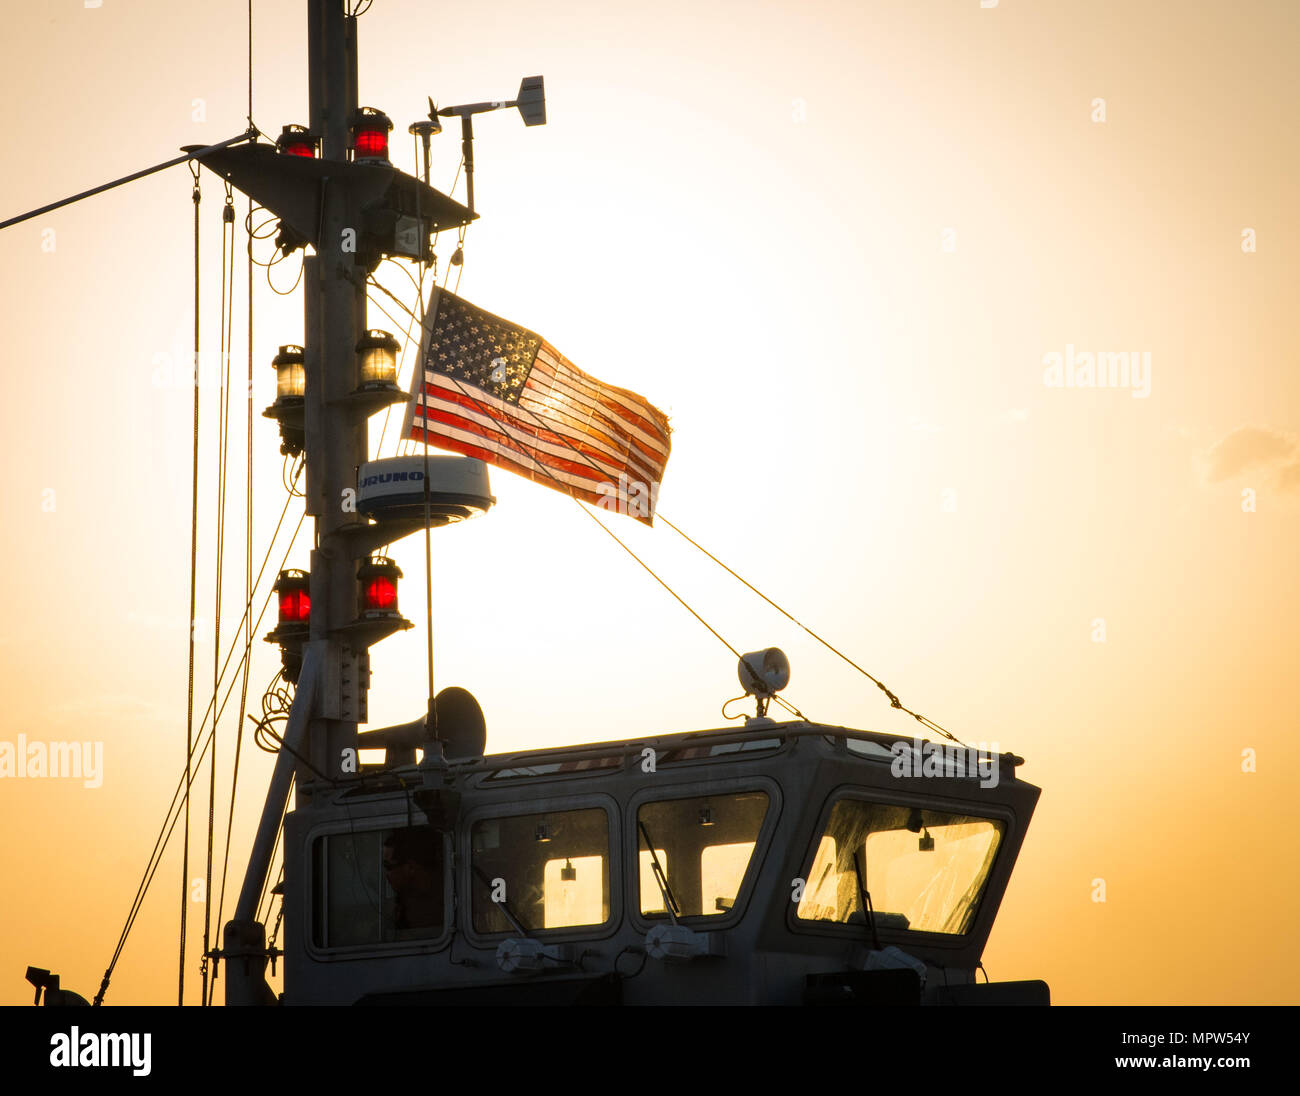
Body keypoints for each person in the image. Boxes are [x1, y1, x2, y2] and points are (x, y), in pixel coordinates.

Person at [382, 827, 444, 934]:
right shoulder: (402, 901)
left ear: (410, 867)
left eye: (388, 867)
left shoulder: (443, 897)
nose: (386, 875)